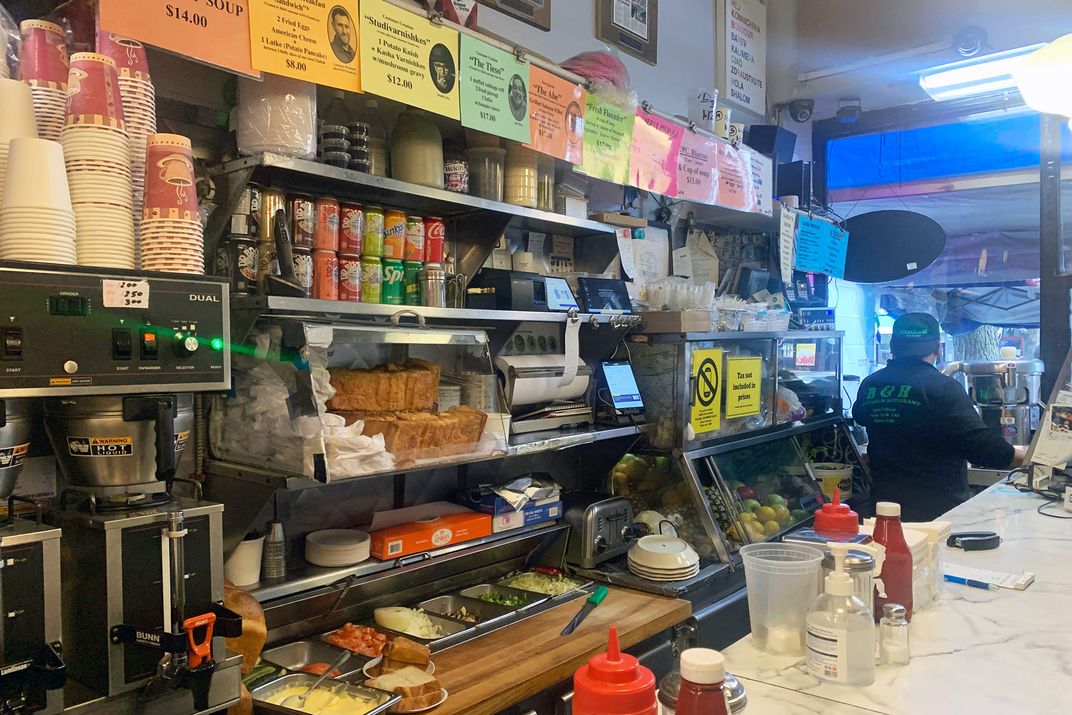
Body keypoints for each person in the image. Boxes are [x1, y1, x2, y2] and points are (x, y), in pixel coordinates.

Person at [852, 313, 1026, 521]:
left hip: (884, 510)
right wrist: (1029, 457)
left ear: (893, 346)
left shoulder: (870, 384)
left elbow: (860, 416)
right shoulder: (941, 387)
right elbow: (982, 448)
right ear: (937, 348)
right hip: (937, 514)